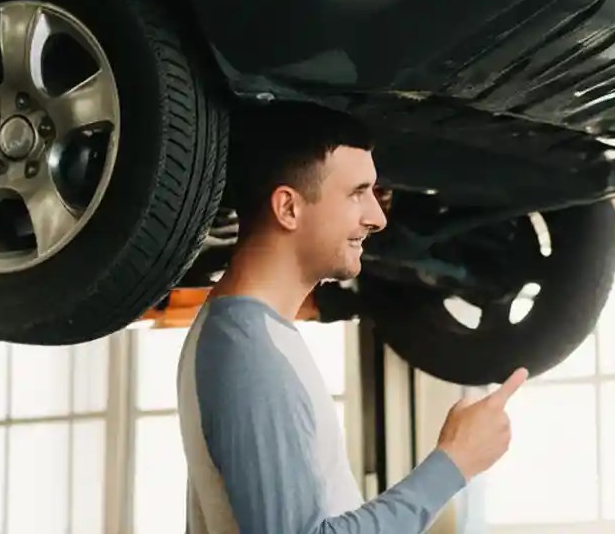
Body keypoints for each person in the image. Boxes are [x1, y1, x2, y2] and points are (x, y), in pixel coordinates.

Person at [176, 102, 527, 534]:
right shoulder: (247, 354)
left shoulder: (248, 336)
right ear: (288, 208)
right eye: (357, 193)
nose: (377, 218)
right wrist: (454, 462)